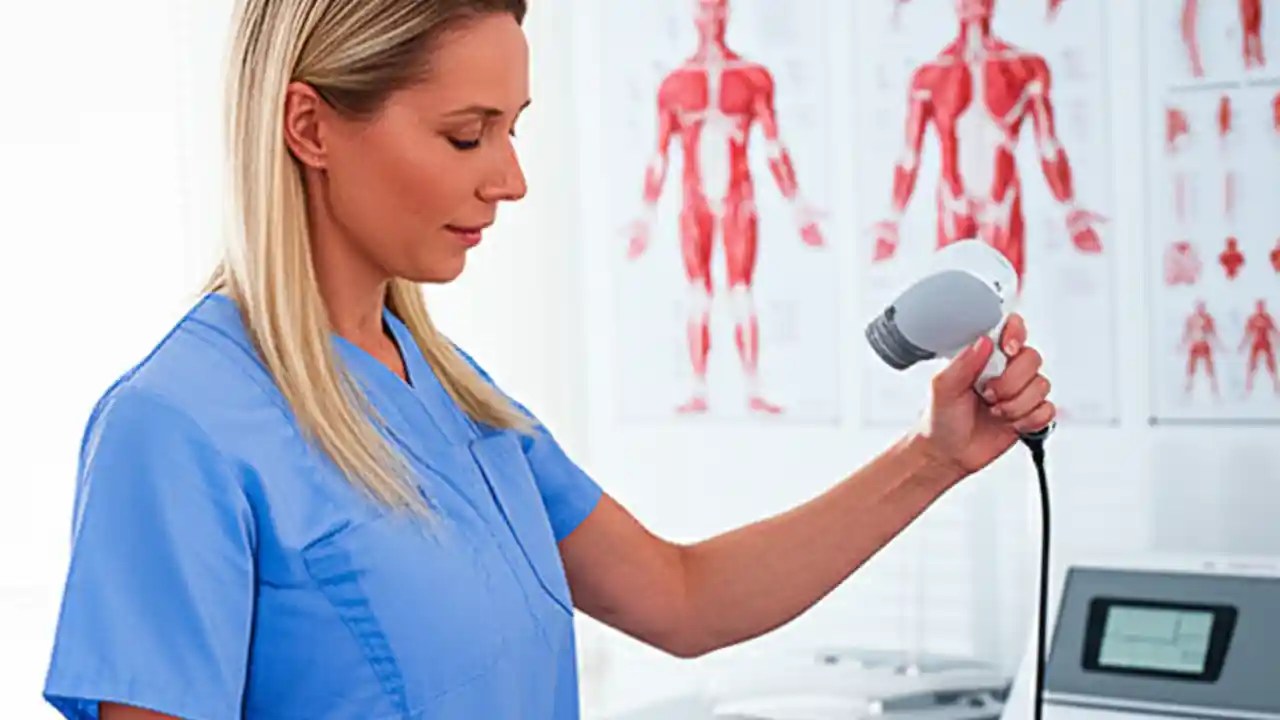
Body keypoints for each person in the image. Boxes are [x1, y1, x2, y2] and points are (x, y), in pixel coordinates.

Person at [40, 1, 1056, 718]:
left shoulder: (454, 396)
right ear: (309, 125)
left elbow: (681, 597)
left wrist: (933, 457)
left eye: (512, 131)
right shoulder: (176, 429)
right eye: (466, 135)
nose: (510, 180)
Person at [626, 0, 824, 416]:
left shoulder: (751, 79)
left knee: (740, 291)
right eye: (703, 9)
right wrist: (645, 217)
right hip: (694, 198)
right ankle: (698, 388)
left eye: (717, 8)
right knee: (699, 292)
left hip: (738, 197)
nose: (710, 17)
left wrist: (798, 207)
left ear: (727, 13)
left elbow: (773, 146)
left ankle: (752, 387)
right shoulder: (676, 84)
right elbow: (659, 156)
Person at [871, 0, 1103, 285]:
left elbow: (1048, 145)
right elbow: (910, 154)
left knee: (1003, 305)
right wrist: (893, 221)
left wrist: (1071, 210)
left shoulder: (1026, 68)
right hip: (954, 198)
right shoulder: (929, 76)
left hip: (1001, 198)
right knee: (953, 305)